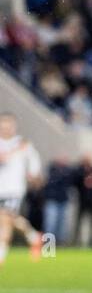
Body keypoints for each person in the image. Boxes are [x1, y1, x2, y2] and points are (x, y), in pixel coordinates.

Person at [0, 112, 43, 265]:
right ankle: (33, 236)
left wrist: (33, 174)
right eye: (2, 126)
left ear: (14, 127)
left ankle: (1, 257)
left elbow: (34, 160)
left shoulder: (23, 143)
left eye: (8, 126)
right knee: (9, 220)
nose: (5, 129)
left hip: (13, 189)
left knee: (5, 218)